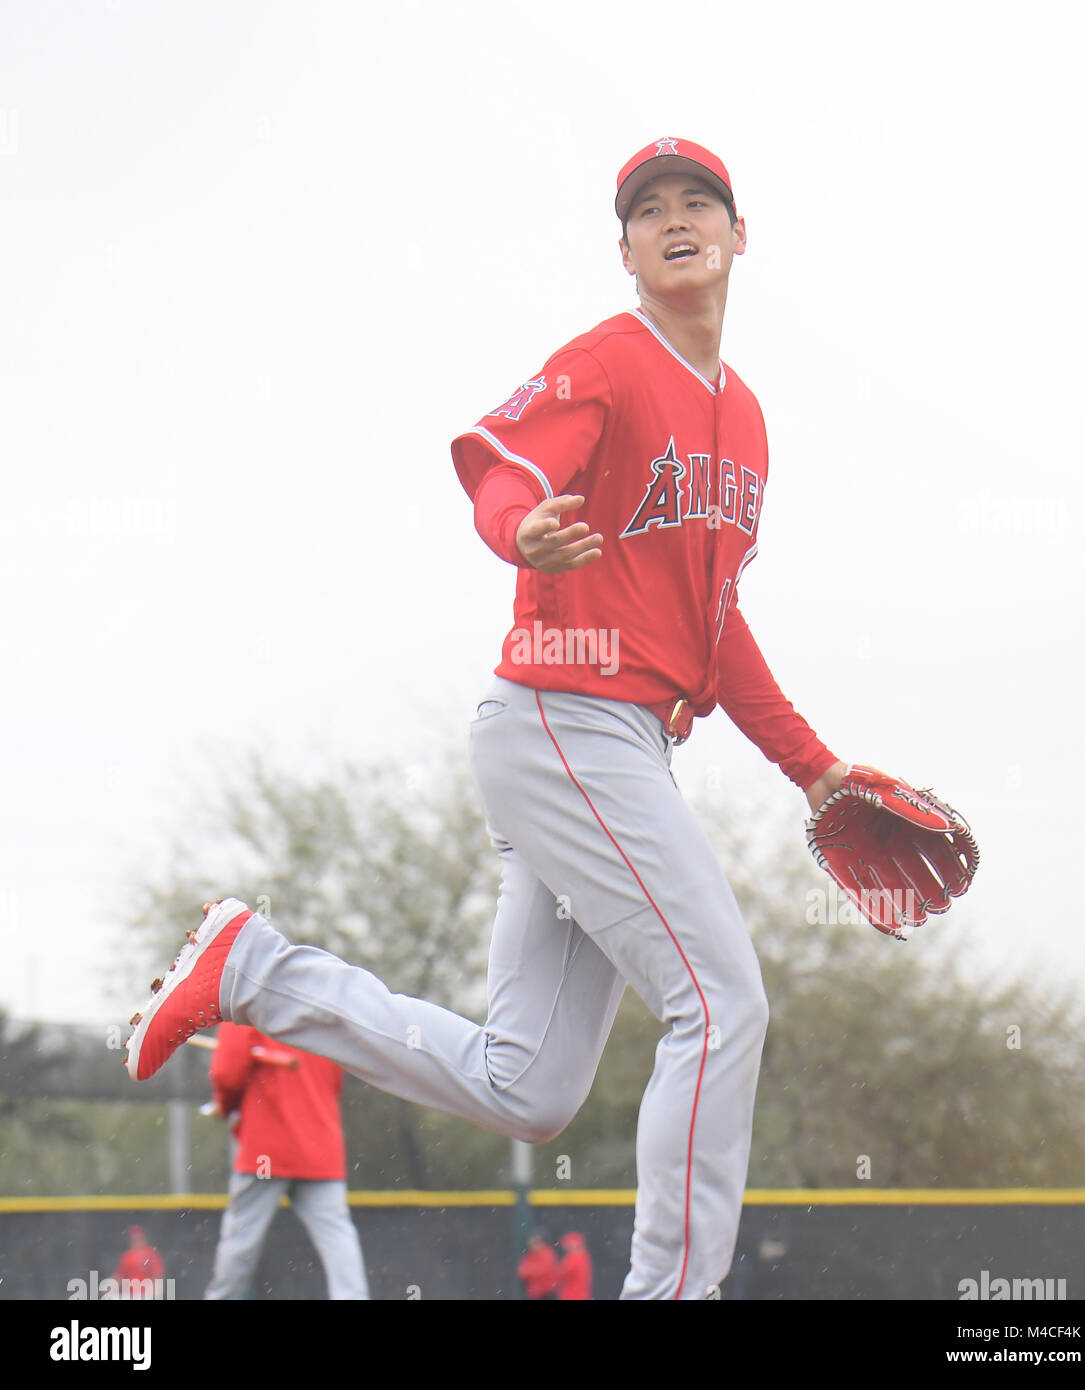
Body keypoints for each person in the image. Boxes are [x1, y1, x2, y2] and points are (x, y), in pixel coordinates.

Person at [127, 137, 851, 1300]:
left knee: (531, 1086)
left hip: (617, 749)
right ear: (623, 249)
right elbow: (500, 466)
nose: (675, 218)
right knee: (719, 1000)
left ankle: (259, 970)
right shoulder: (608, 362)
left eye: (698, 202)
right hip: (563, 715)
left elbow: (714, 624)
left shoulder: (747, 421)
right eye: (649, 209)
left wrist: (815, 770)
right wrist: (519, 529)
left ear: (738, 234)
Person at [202, 1023, 369, 1300]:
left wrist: (225, 1103)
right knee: (338, 1239)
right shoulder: (321, 1008)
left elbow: (226, 1073)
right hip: (319, 1148)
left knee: (240, 1242)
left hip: (266, 1150)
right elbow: (335, 1080)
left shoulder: (246, 1002)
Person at [114, 1225, 165, 1299]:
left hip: (145, 1294)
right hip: (129, 1294)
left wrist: (155, 1289)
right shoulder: (127, 1256)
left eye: (138, 1238)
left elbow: (158, 1274)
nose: (136, 1241)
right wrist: (110, 1286)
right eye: (134, 1239)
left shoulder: (151, 1254)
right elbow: (119, 1275)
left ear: (143, 1239)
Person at [517, 1231, 559, 1300]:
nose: (532, 1245)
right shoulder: (530, 1255)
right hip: (534, 1293)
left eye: (535, 1242)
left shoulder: (547, 1253)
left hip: (547, 1292)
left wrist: (531, 1269)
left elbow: (543, 1270)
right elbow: (521, 1271)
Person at [553, 1231, 593, 1301]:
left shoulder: (574, 1258)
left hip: (572, 1295)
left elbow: (560, 1274)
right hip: (581, 1294)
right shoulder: (584, 1256)